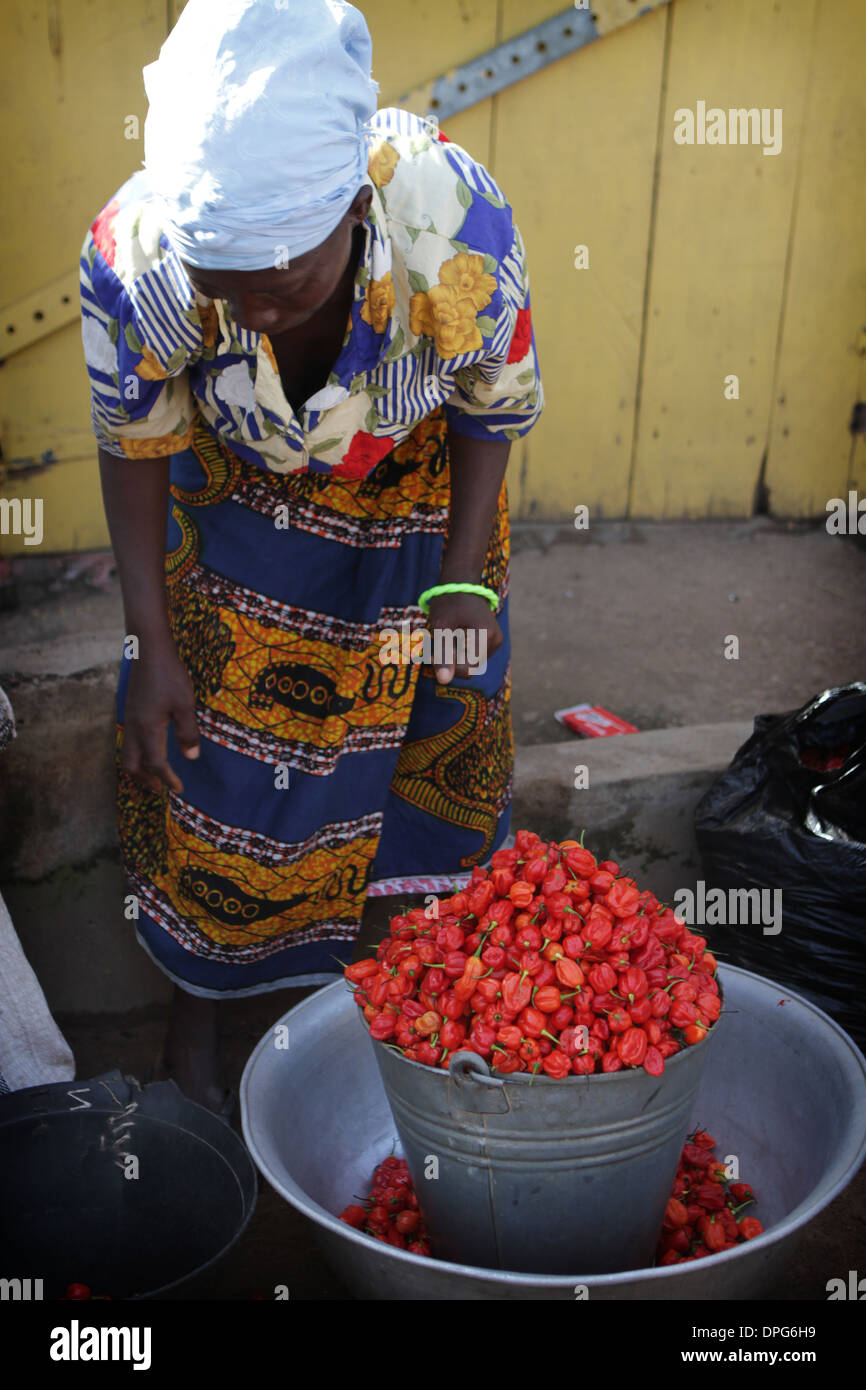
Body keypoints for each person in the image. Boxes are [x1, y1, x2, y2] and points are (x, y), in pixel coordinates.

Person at [79, 0, 543, 1110]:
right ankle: (198, 1030)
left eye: (284, 281)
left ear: (354, 208)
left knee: (438, 739)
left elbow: (490, 405)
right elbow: (134, 440)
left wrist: (462, 581)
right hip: (236, 501)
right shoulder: (137, 256)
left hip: (423, 495)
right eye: (223, 283)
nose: (255, 310)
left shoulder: (452, 220)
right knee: (218, 760)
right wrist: (150, 641)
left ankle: (396, 1022)